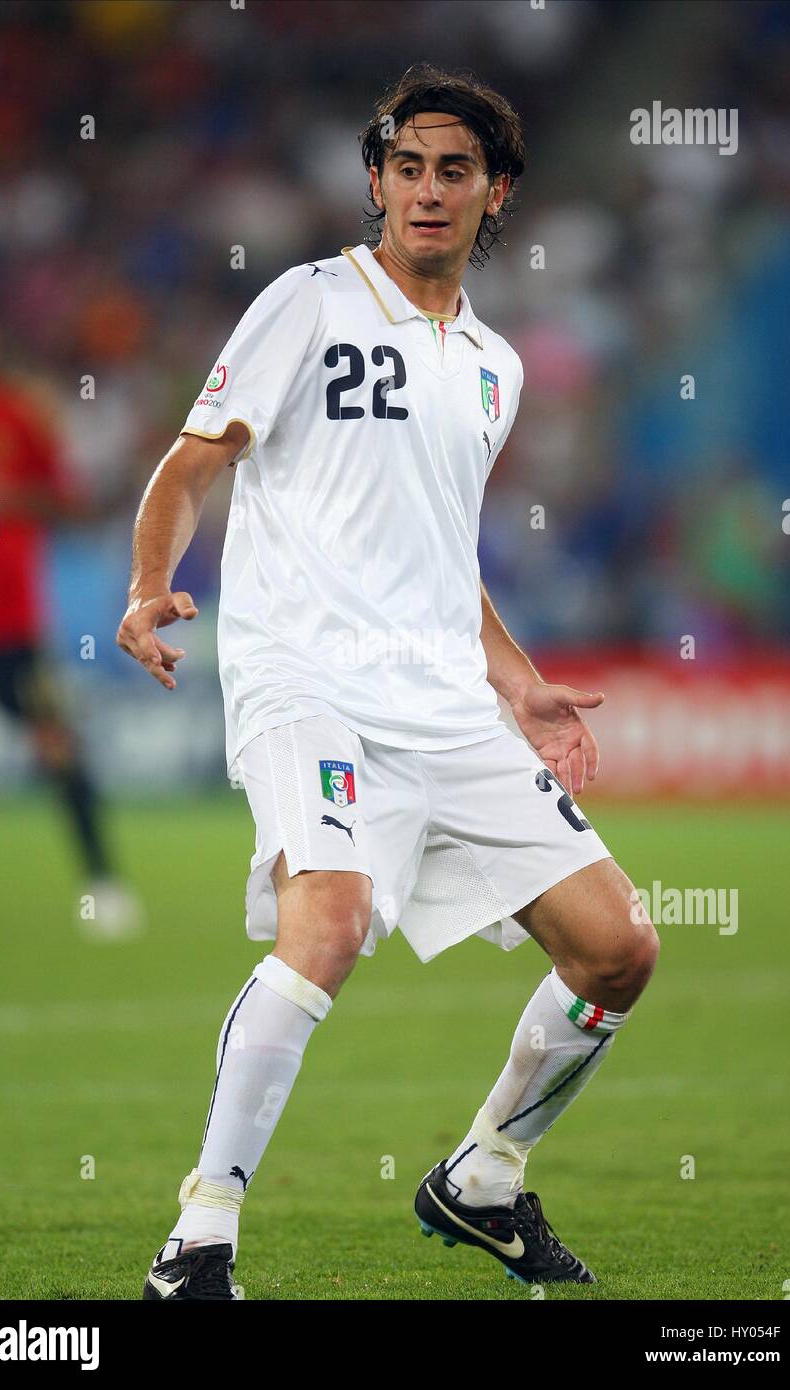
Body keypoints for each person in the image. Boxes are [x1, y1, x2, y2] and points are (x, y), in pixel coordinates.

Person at [118, 64, 659, 1302]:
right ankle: (197, 1242)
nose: (426, 189)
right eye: (406, 166)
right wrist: (151, 584)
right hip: (305, 679)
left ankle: (482, 1175)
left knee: (619, 948)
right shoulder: (306, 305)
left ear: (495, 193)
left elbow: (435, 552)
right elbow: (190, 463)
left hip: (447, 703)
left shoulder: (494, 366)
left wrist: (517, 685)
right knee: (332, 919)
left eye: (453, 170)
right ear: (376, 181)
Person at [0, 292, 143, 940]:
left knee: (60, 752)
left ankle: (103, 884)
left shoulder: (17, 416)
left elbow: (69, 504)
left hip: (9, 628)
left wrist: (11, 497)